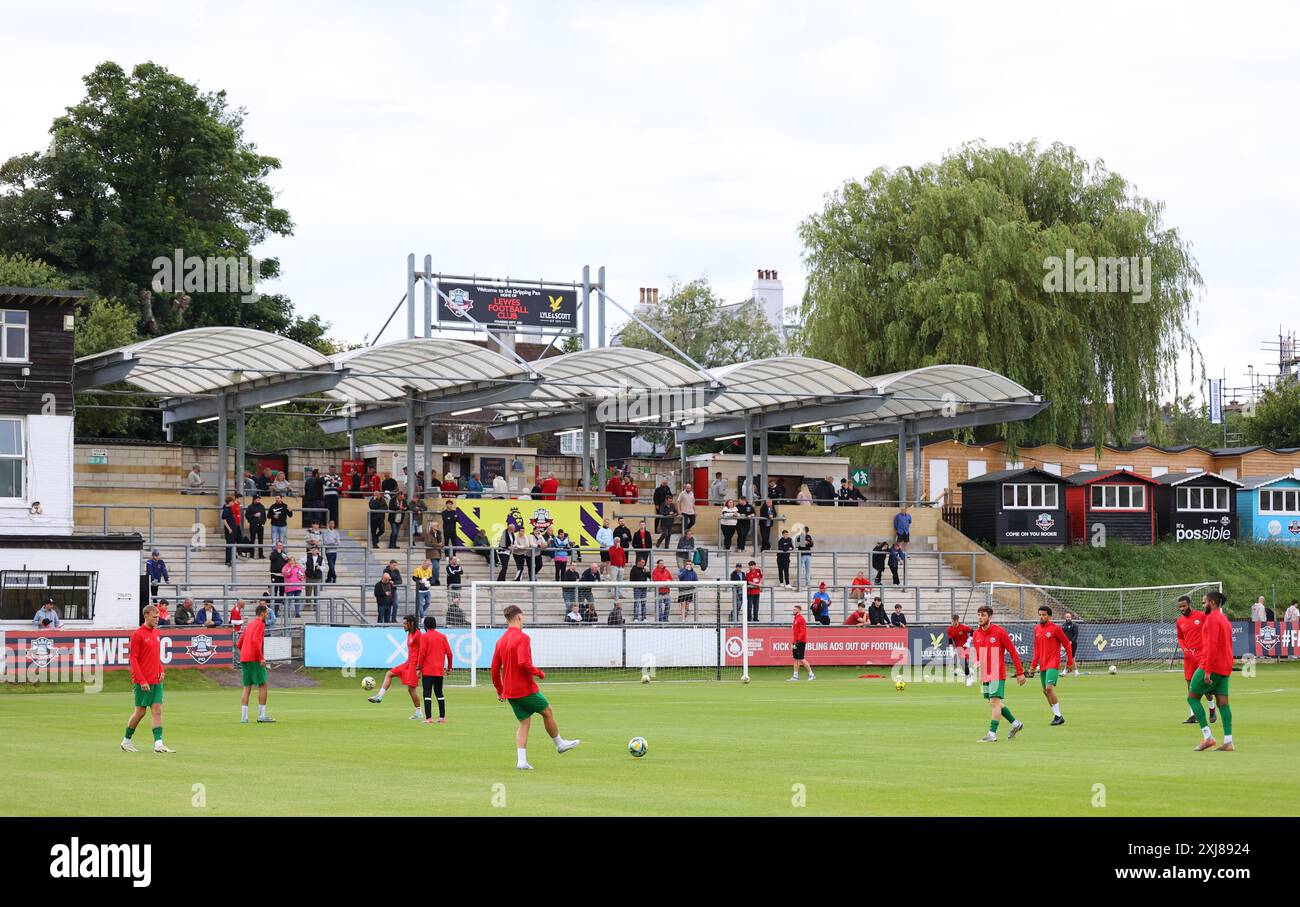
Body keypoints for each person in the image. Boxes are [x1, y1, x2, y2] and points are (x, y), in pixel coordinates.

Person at [491, 604, 581, 769]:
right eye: (522, 617)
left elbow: (494, 668)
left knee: (524, 722)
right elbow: (523, 662)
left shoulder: (500, 641)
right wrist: (538, 672)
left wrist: (500, 689)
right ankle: (559, 743)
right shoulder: (522, 638)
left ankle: (521, 761)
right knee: (547, 711)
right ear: (519, 617)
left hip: (510, 692)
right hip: (524, 688)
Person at [121, 604, 174, 753]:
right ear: (146, 616)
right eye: (154, 617)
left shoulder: (157, 633)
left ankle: (158, 744)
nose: (157, 619)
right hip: (143, 681)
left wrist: (161, 669)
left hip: (157, 680)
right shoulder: (138, 635)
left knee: (157, 710)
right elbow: (134, 659)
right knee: (140, 712)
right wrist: (141, 680)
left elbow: (156, 657)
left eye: (158, 617)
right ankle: (126, 741)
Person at [1189, 589, 1236, 751]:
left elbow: (1212, 646)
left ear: (1212, 603)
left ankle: (1208, 737)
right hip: (1225, 667)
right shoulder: (1225, 620)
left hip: (1210, 666)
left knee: (1192, 698)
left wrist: (1207, 671)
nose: (1203, 606)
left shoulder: (1211, 620)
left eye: (1204, 602)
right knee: (1223, 703)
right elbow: (1229, 646)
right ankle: (1229, 741)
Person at [972, 604, 1026, 743]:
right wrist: (977, 662)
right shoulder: (976, 634)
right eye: (979, 615)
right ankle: (1015, 724)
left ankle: (992, 734)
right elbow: (979, 653)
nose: (980, 618)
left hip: (997, 672)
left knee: (995, 702)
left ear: (990, 617)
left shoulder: (999, 632)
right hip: (985, 673)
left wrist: (1020, 672)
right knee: (993, 702)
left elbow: (1013, 651)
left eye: (983, 615)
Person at [367, 614, 423, 719]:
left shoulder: (419, 635)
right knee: (389, 673)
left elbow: (422, 652)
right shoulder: (410, 634)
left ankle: (419, 712)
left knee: (411, 689)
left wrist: (419, 668)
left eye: (406, 624)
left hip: (414, 665)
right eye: (403, 624)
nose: (404, 626)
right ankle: (379, 696)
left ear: (412, 623)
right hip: (408, 663)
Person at [1176, 595, 1217, 726]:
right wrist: (1185, 650)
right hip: (1189, 657)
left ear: (1189, 604)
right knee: (1190, 685)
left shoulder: (1201, 616)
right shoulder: (1179, 621)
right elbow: (1180, 638)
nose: (1182, 608)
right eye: (1180, 607)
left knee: (1203, 685)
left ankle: (1212, 708)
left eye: (1184, 606)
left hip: (1202, 655)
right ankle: (1193, 715)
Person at [1028, 605, 1074, 725]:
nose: (1041, 617)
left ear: (1049, 616)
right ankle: (1057, 715)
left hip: (1053, 663)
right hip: (1042, 663)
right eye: (1040, 615)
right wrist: (1033, 665)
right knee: (1045, 691)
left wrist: (1069, 662)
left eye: (1044, 615)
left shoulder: (1055, 629)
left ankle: (1058, 716)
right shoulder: (1037, 629)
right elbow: (1036, 649)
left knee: (1049, 688)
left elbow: (1067, 644)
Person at [237, 603, 275, 724]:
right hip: (254, 658)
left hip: (244, 658)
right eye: (267, 613)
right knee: (263, 684)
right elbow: (256, 642)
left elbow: (239, 643)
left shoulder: (249, 625)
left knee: (247, 686)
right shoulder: (260, 624)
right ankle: (261, 715)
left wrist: (245, 652)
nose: (267, 615)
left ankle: (244, 717)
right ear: (262, 613)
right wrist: (261, 658)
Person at [418, 615, 453, 723]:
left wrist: (418, 668)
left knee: (427, 693)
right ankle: (442, 717)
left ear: (425, 625)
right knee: (439, 693)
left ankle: (429, 718)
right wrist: (449, 667)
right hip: (439, 670)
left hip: (428, 670)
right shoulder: (442, 636)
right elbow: (449, 653)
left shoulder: (424, 637)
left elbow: (422, 654)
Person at [788, 605, 814, 681]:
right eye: (793, 609)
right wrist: (794, 642)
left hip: (800, 642)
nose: (793, 611)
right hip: (795, 642)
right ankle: (795, 676)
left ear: (799, 610)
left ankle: (811, 674)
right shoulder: (795, 619)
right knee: (795, 659)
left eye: (795, 609)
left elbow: (803, 631)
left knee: (801, 659)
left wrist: (798, 640)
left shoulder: (801, 619)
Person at [947, 614, 975, 687]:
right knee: (963, 663)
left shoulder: (963, 627)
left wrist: (969, 641)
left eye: (954, 622)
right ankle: (969, 675)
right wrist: (951, 650)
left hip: (966, 647)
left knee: (964, 663)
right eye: (952, 621)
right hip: (959, 648)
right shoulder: (949, 629)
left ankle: (969, 677)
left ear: (957, 621)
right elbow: (950, 640)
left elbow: (973, 631)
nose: (953, 623)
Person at [304, 545, 324, 616]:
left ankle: (316, 605)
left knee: (316, 592)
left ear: (318, 551)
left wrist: (320, 568)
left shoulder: (321, 558)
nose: (314, 551)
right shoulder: (307, 556)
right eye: (313, 549)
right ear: (311, 550)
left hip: (317, 577)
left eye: (316, 549)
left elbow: (324, 567)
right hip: (309, 577)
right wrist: (304, 569)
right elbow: (301, 562)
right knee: (308, 591)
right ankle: (308, 605)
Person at [629, 557, 650, 622]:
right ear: (638, 562)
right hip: (637, 589)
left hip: (644, 588)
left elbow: (650, 576)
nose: (643, 564)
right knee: (637, 603)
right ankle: (636, 617)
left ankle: (644, 617)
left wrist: (648, 571)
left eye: (644, 562)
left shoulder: (645, 569)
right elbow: (631, 580)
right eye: (642, 562)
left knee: (644, 603)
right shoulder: (634, 569)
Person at [1060, 610, 1080, 676]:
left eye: (1069, 617)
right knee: (1069, 658)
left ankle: (1070, 671)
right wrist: (1062, 643)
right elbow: (1062, 635)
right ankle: (1070, 671)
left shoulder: (1074, 625)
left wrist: (1071, 641)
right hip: (1066, 644)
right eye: (1067, 617)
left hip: (1073, 644)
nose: (1068, 618)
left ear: (1071, 618)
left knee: (1071, 658)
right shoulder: (1063, 626)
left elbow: (1076, 635)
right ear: (1065, 617)